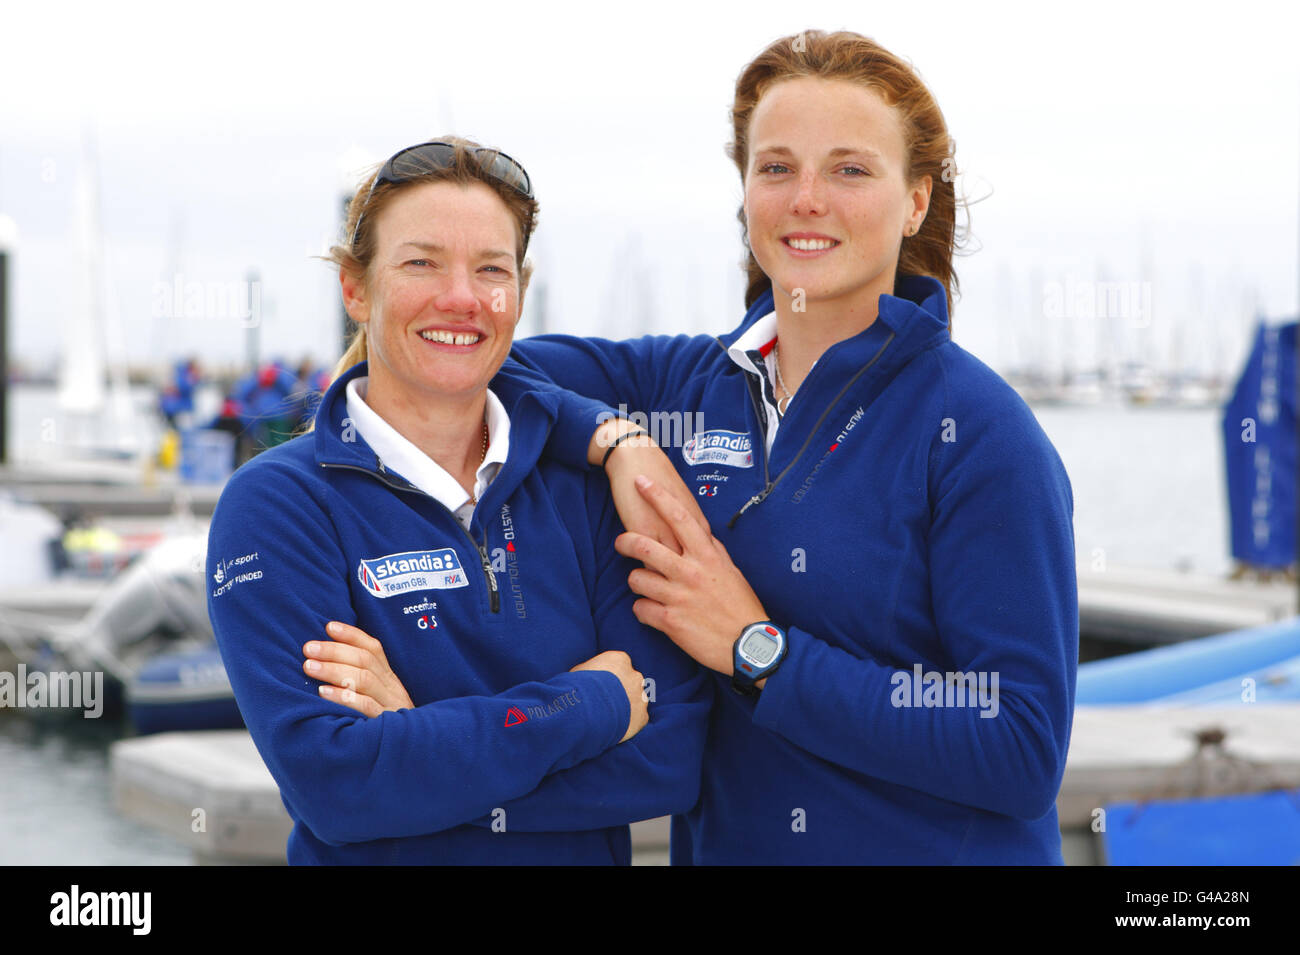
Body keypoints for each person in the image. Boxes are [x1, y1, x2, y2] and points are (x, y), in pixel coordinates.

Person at [499, 30, 1080, 864]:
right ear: (745, 195)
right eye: (776, 167)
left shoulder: (979, 432)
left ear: (915, 202)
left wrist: (757, 649)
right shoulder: (681, 386)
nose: (806, 199)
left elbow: (1020, 744)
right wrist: (616, 439)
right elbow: (476, 363)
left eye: (850, 170)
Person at [205, 137, 708, 865]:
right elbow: (337, 786)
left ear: (519, 295)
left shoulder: (588, 493)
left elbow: (671, 758)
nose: (462, 299)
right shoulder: (278, 505)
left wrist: (417, 743)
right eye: (422, 263)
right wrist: (589, 703)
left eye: (491, 269)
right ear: (355, 289)